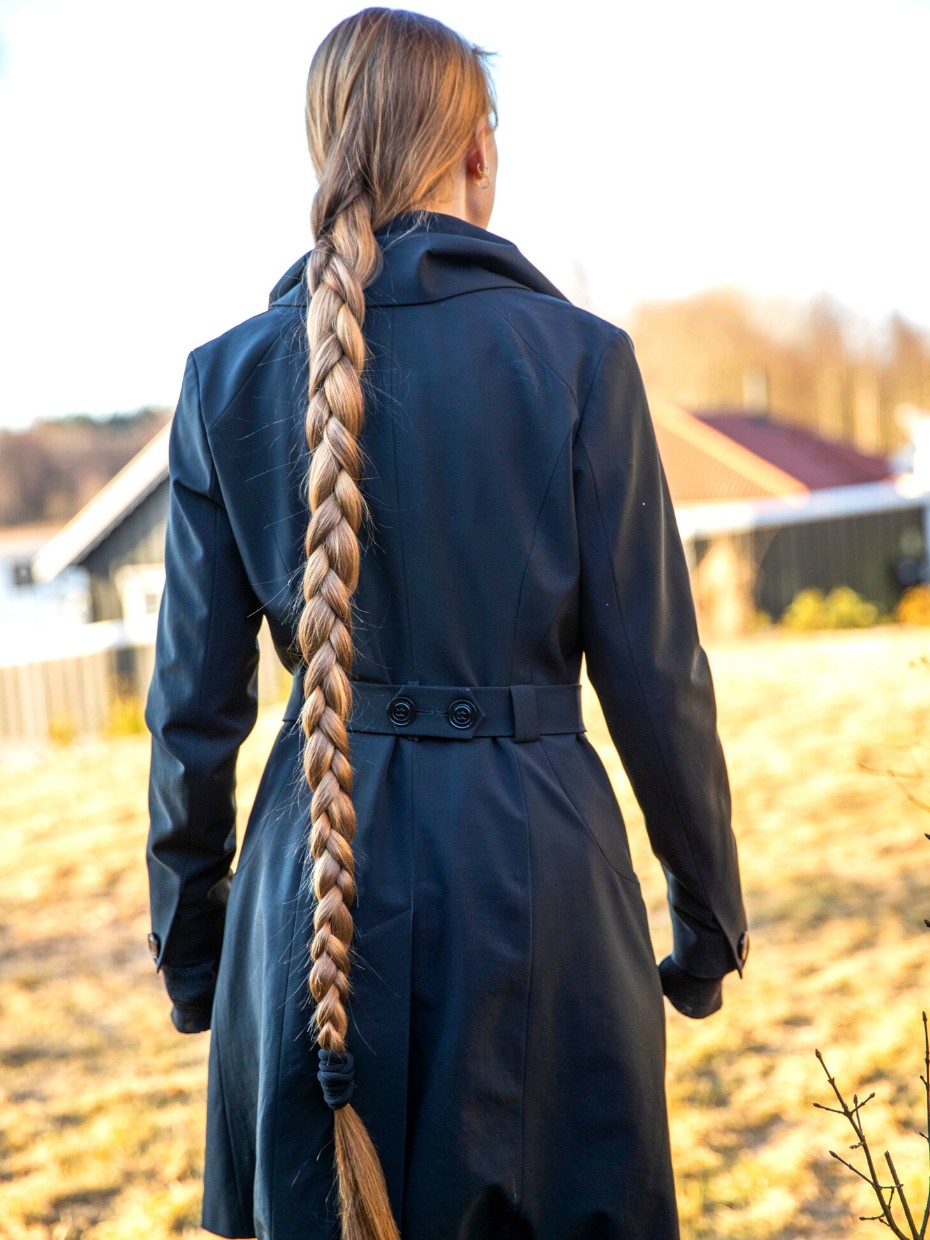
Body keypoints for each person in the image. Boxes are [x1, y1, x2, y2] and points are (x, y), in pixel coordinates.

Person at [144, 8, 750, 1240]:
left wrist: (196, 946)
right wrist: (707, 916)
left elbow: (193, 715)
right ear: (479, 152)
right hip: (539, 892)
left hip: (303, 901)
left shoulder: (225, 378)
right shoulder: (580, 360)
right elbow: (658, 680)